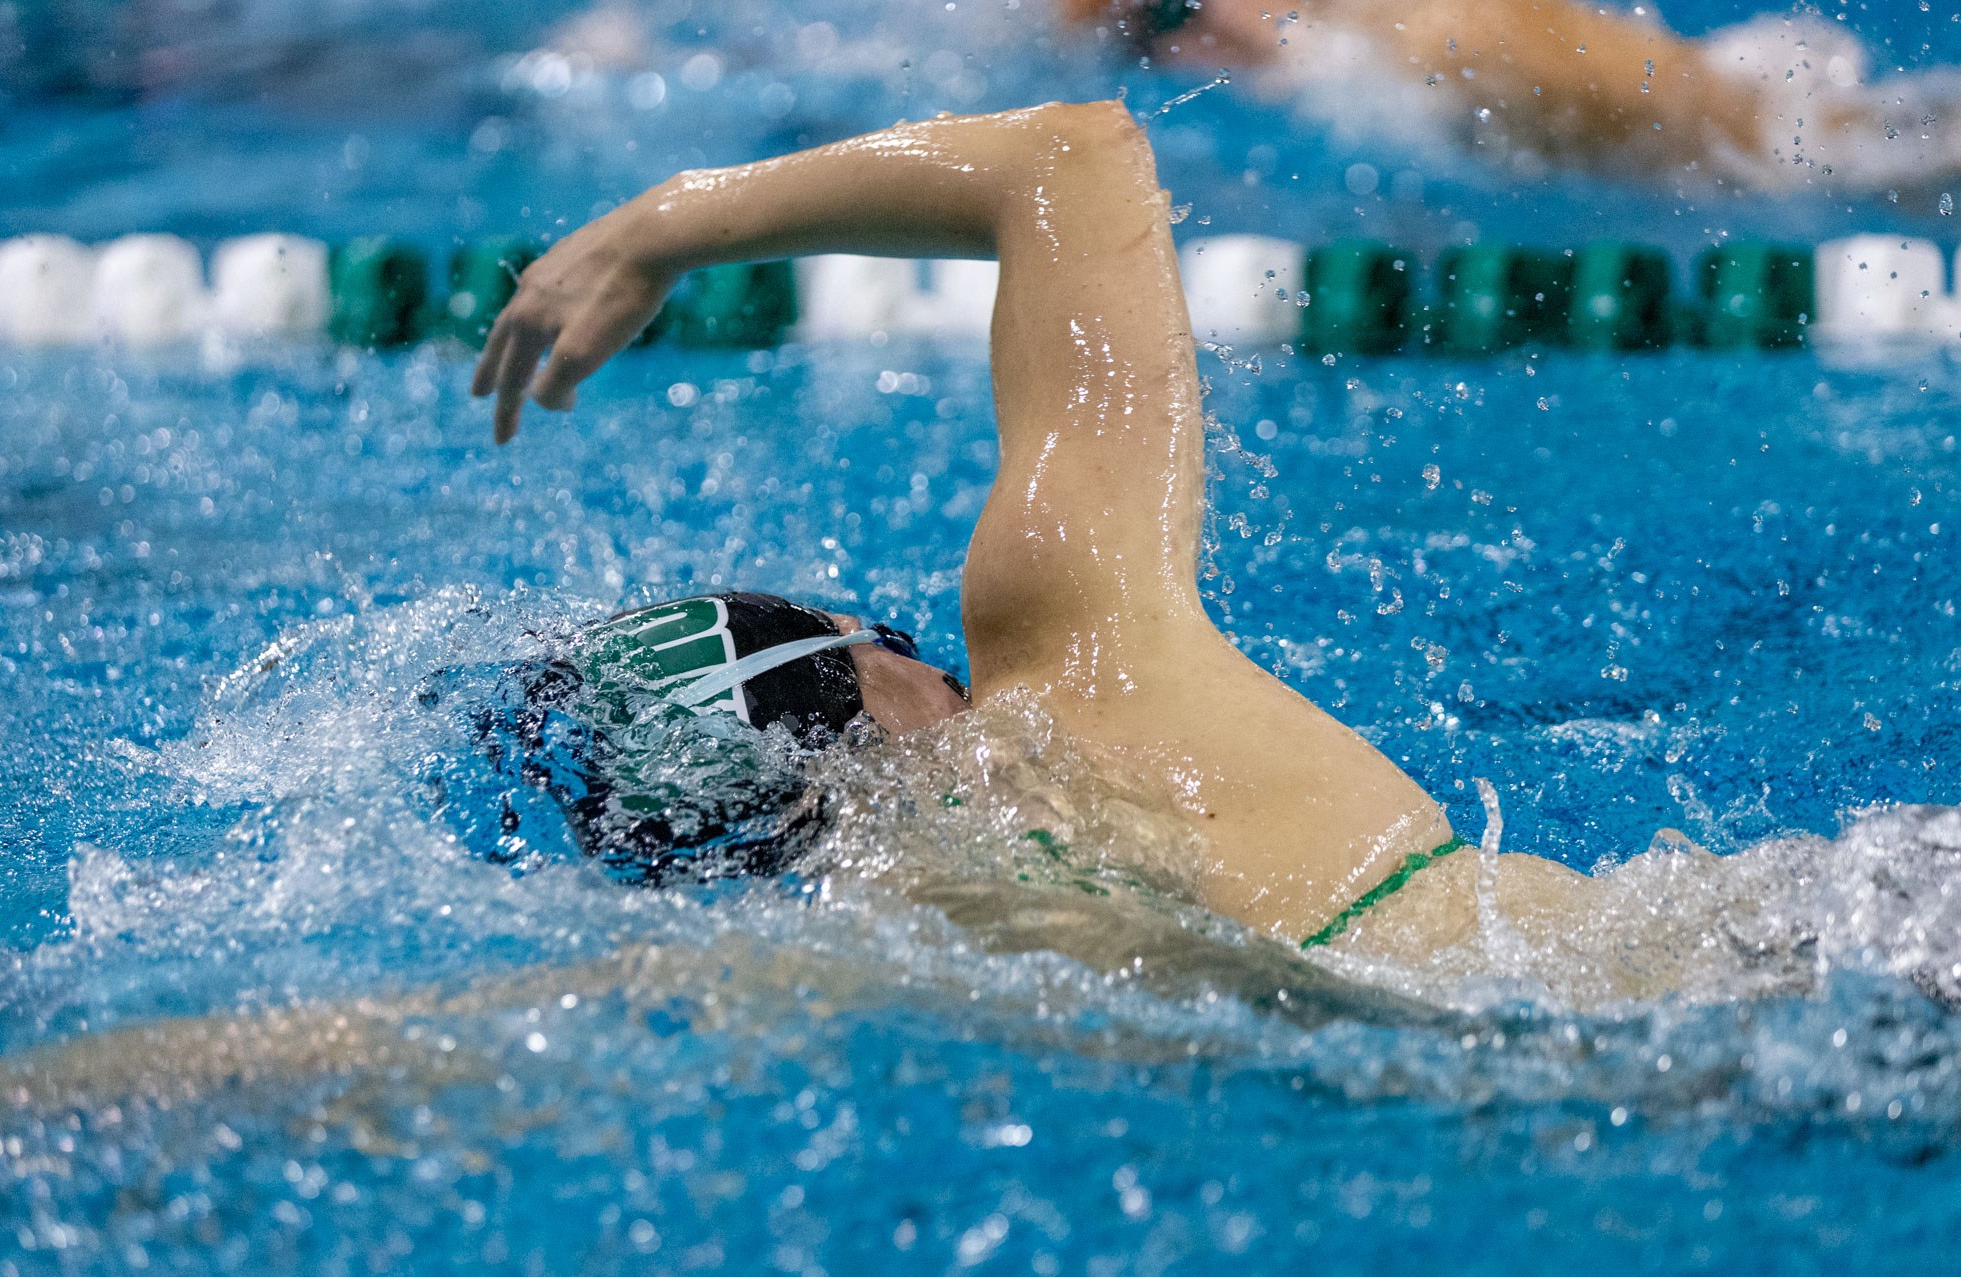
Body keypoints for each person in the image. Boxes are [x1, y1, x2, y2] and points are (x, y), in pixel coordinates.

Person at [470, 99, 1606, 962]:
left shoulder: (893, 947)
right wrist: (659, 228)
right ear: (854, 675)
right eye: (878, 633)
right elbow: (1067, 157)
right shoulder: (1074, 653)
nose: (925, 653)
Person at [1062, 0, 1961, 195]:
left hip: (1836, 152)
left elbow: (1778, 138)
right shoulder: (1339, 66)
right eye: (1144, 38)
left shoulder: (1453, 38)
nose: (1181, 54)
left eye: (1177, 7)